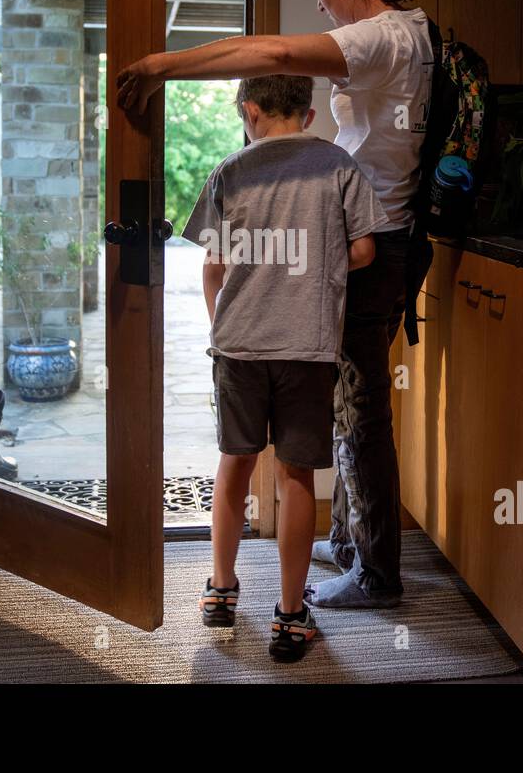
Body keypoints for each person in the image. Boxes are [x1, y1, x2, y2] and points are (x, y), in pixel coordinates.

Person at [119, 0, 431, 609]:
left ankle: (376, 573)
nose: (320, 6)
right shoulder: (404, 35)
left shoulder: (380, 36)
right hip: (382, 239)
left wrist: (161, 66)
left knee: (361, 413)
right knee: (346, 409)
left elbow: (275, 50)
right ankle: (349, 543)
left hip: (376, 243)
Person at [185, 74, 384, 661]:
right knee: (296, 476)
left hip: (239, 346)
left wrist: (220, 329)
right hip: (307, 346)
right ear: (309, 113)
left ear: (249, 111)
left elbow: (213, 266)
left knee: (235, 463)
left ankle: (221, 591)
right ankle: (292, 616)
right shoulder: (337, 165)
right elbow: (365, 250)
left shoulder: (230, 170)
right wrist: (319, 255)